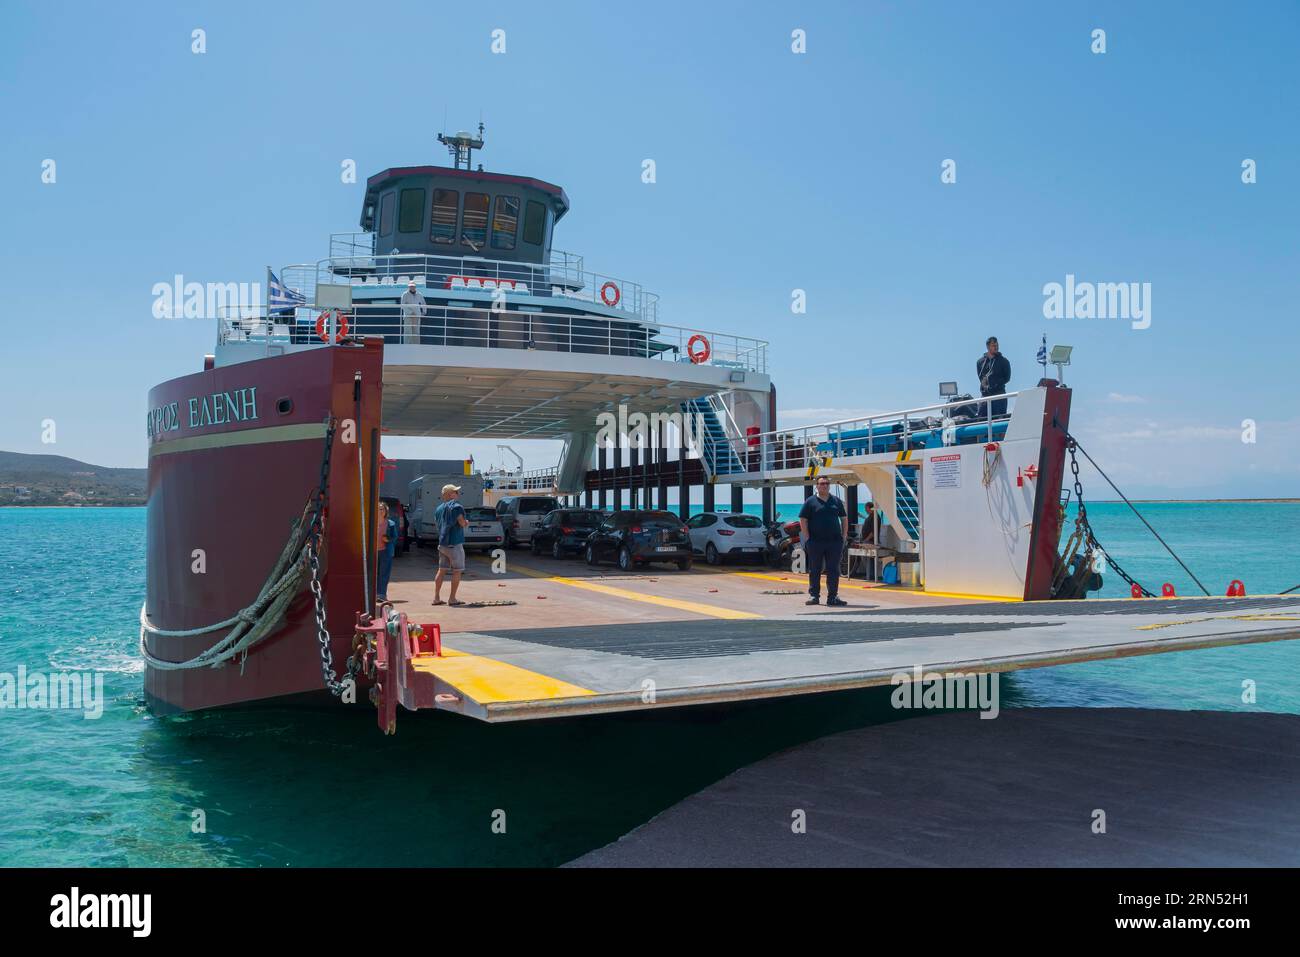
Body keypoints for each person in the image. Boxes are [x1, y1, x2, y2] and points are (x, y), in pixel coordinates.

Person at [798, 476, 848, 606]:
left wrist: (844, 535)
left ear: (829, 485)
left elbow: (843, 519)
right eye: (821, 484)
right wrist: (807, 537)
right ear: (817, 486)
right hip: (815, 542)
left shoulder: (836, 501)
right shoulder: (810, 501)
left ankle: (832, 597)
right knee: (815, 569)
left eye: (826, 483)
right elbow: (803, 520)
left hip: (834, 542)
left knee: (833, 570)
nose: (824, 485)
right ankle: (814, 596)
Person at [432, 483, 469, 607]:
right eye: (455, 491)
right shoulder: (457, 507)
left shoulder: (438, 509)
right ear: (449, 494)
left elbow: (438, 525)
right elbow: (461, 522)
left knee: (441, 570)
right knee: (457, 571)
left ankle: (436, 598)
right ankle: (452, 598)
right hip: (454, 543)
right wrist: (466, 522)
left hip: (442, 544)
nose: (458, 494)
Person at [976, 336, 1012, 417]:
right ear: (988, 347)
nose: (996, 347)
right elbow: (980, 377)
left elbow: (1007, 378)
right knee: (981, 420)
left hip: (999, 396)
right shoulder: (980, 362)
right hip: (985, 397)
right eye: (993, 345)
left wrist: (995, 385)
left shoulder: (1004, 361)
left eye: (997, 345)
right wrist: (986, 386)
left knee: (999, 420)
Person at [376, 501, 397, 602]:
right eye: (378, 509)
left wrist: (388, 540)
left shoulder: (390, 523)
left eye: (382, 509)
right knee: (374, 573)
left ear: (385, 511)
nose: (380, 511)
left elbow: (395, 537)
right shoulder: (371, 522)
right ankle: (374, 593)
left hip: (385, 551)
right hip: (373, 552)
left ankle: (382, 594)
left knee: (384, 573)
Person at [400, 280, 427, 344]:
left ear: (415, 287)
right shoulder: (405, 294)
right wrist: (410, 312)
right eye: (410, 286)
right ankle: (407, 346)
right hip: (408, 316)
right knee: (408, 332)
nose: (412, 287)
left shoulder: (419, 294)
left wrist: (424, 311)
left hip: (417, 315)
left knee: (416, 332)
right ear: (408, 287)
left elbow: (423, 303)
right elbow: (402, 305)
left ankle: (416, 346)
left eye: (413, 286)